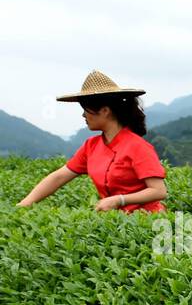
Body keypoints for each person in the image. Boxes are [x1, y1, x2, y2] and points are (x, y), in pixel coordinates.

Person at [17, 70, 167, 213]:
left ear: (105, 111)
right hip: (114, 223)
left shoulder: (138, 146)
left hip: (146, 222)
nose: (83, 115)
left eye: (86, 109)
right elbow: (58, 177)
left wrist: (120, 200)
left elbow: (159, 191)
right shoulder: (91, 146)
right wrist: (23, 205)